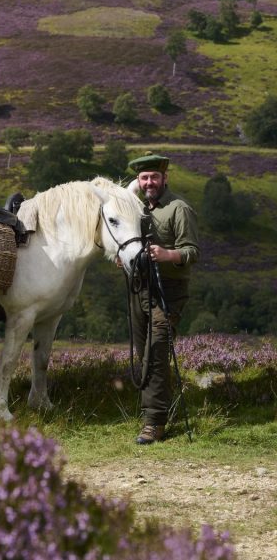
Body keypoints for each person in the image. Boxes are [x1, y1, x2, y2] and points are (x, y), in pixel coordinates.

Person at [128, 152, 200, 445]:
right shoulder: (135, 211)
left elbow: (193, 252)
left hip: (169, 291)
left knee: (157, 353)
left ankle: (154, 424)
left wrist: (168, 254)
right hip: (139, 289)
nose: (149, 182)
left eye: (154, 177)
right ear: (138, 180)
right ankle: (152, 413)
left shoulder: (179, 209)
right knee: (143, 354)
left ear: (164, 178)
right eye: (144, 178)